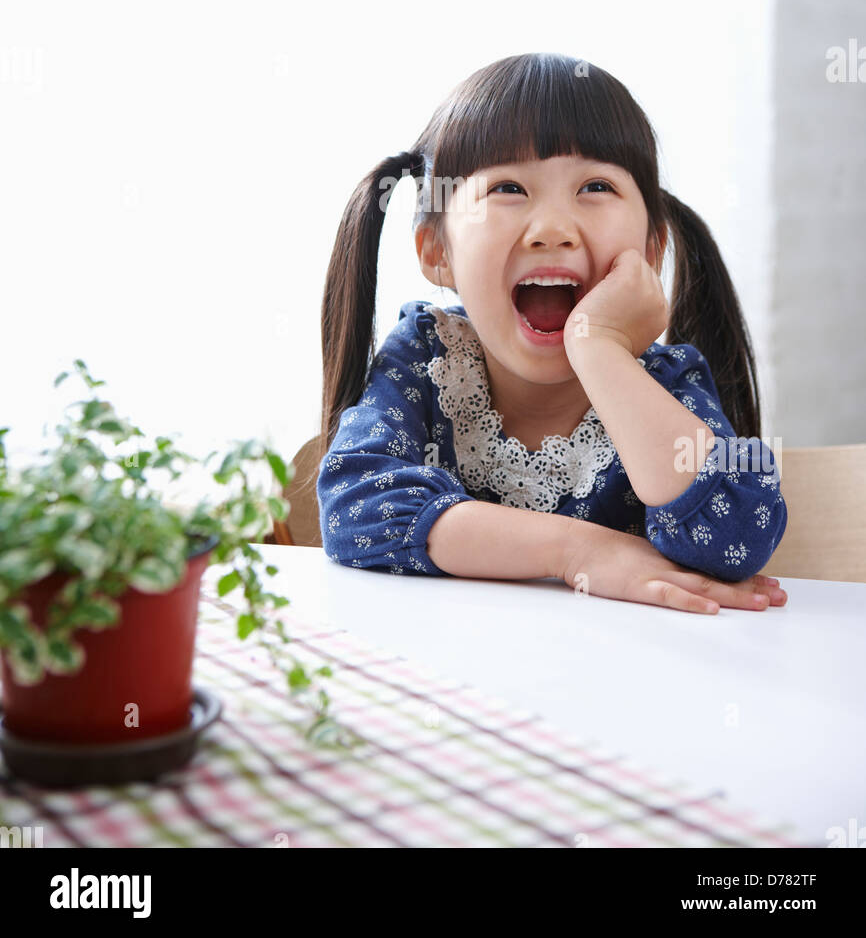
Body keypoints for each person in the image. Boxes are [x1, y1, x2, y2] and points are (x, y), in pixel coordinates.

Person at [312, 52, 788, 615]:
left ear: (652, 250)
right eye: (509, 188)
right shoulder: (428, 360)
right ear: (437, 251)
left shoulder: (665, 387)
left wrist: (599, 349)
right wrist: (577, 551)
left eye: (595, 186)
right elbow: (355, 508)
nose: (554, 229)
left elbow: (737, 539)